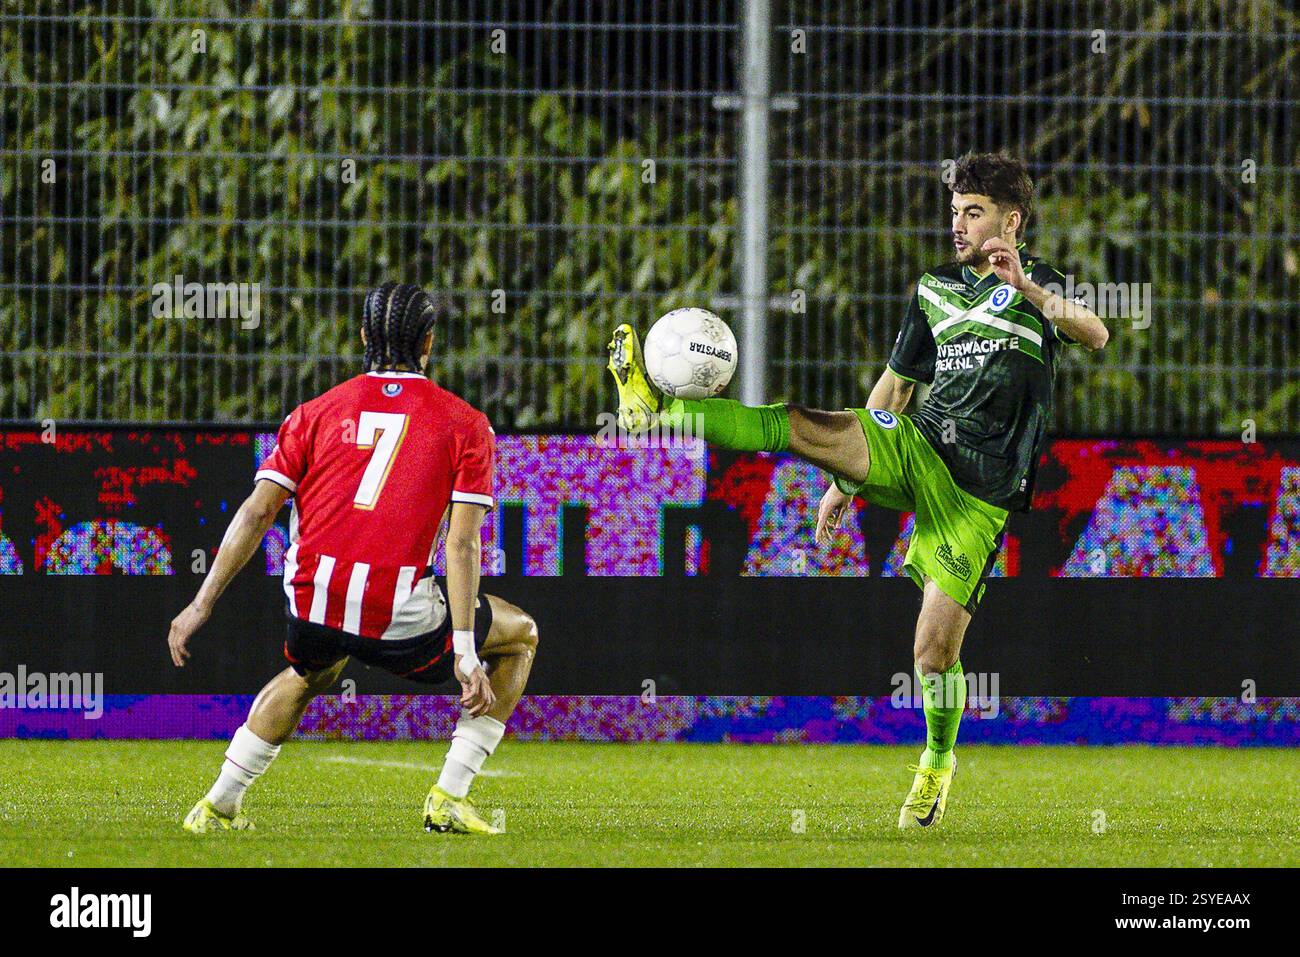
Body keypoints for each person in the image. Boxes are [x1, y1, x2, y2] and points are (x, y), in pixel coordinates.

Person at [608, 152, 1107, 828]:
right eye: (954, 210)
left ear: (1011, 221)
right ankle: (656, 412)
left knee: (932, 653)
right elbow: (897, 387)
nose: (956, 223)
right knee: (802, 424)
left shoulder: (1038, 286)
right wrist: (846, 478)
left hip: (981, 494)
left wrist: (1032, 292)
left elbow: (1097, 332)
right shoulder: (934, 288)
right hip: (920, 444)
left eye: (974, 212)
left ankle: (936, 761)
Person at [168, 282, 538, 836]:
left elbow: (256, 512)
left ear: (363, 336)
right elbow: (461, 544)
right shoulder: (464, 423)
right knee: (522, 635)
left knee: (308, 671)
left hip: (314, 598)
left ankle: (217, 805)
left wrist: (201, 603)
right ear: (429, 343)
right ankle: (449, 796)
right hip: (396, 612)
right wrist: (464, 652)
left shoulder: (313, 413)